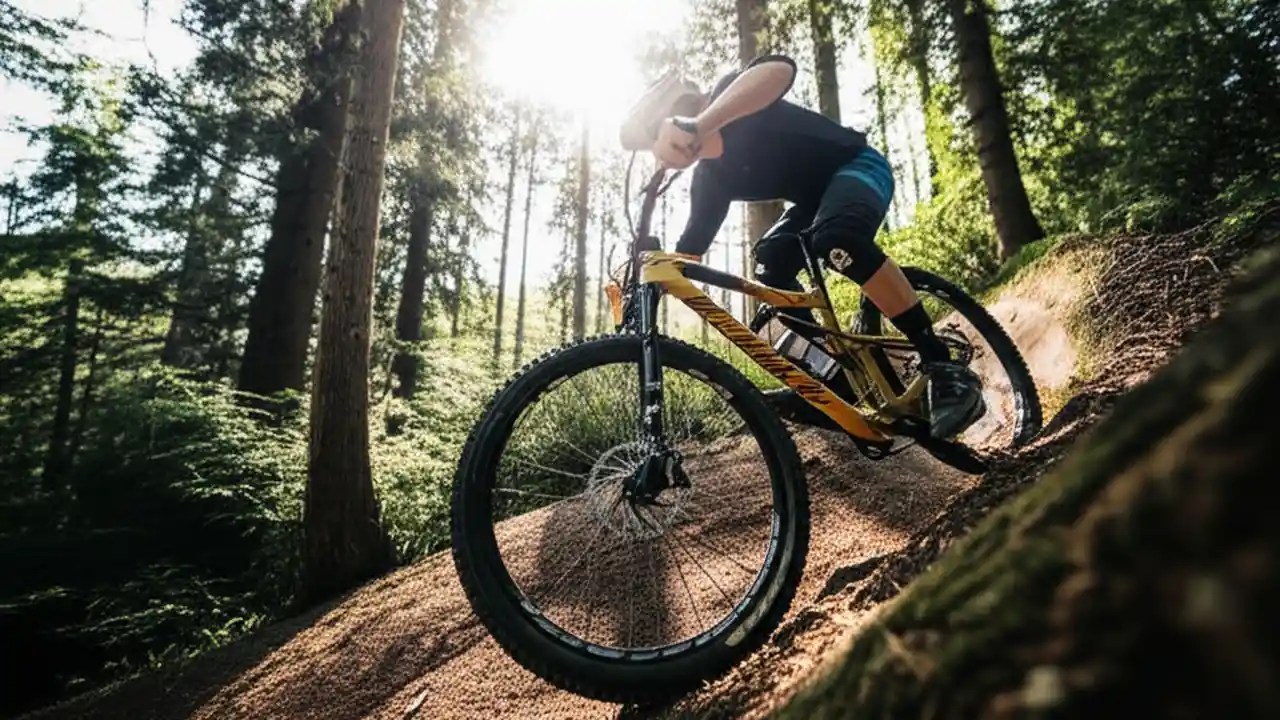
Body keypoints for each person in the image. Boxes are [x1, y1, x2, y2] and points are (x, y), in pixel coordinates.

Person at [619, 54, 984, 439]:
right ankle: (834, 382)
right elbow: (685, 259)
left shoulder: (732, 93)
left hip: (858, 166)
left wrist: (701, 124)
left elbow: (780, 70)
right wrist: (646, 279)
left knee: (835, 239)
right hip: (815, 205)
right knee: (770, 262)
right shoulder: (710, 180)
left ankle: (943, 366)